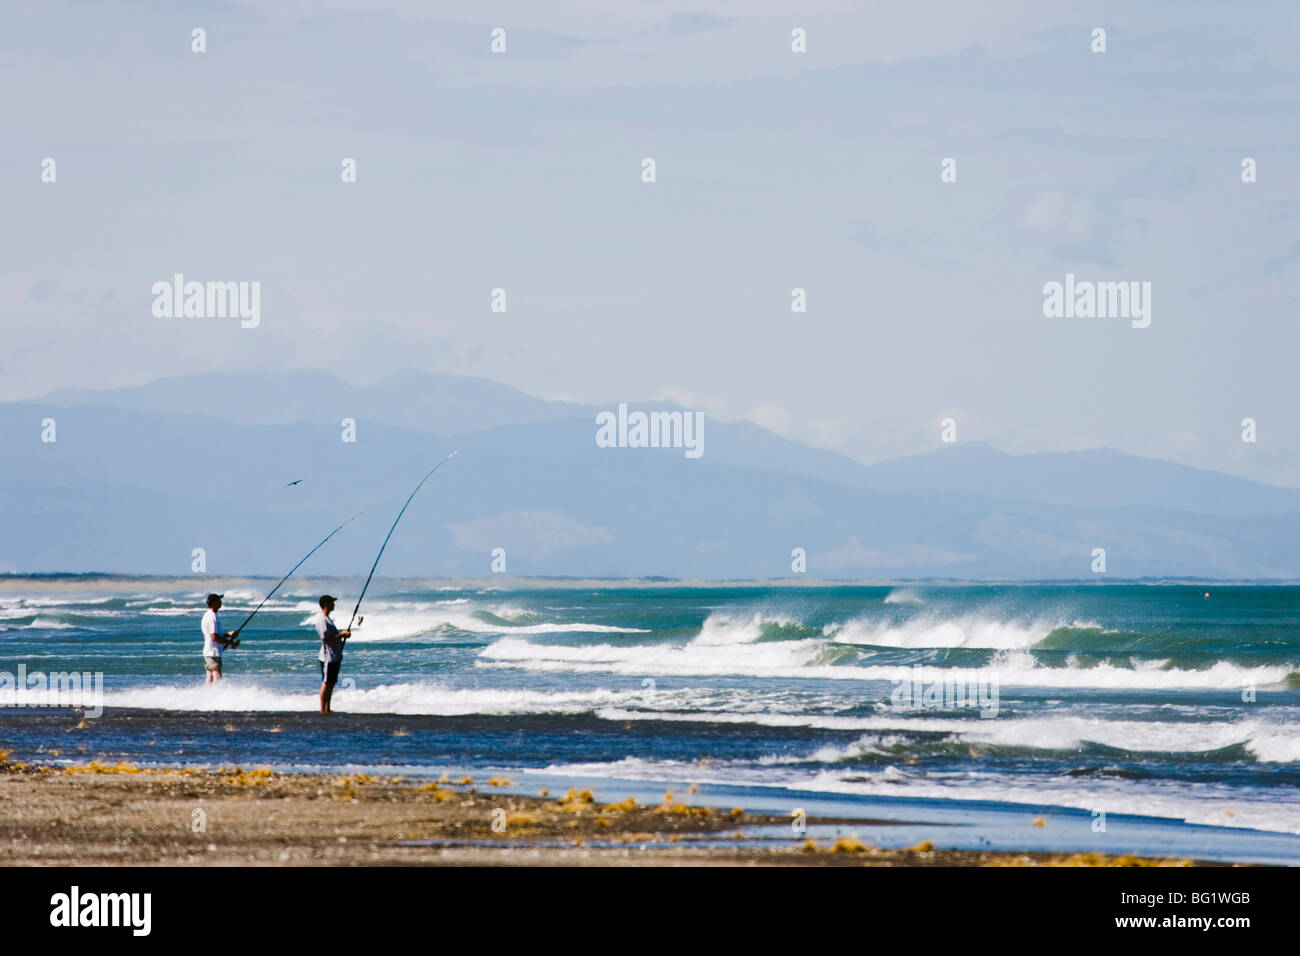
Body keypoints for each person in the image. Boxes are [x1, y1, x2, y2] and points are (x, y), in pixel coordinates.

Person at [314, 595, 354, 714]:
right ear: (326, 604)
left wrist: (343, 635)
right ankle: (323, 710)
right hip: (328, 658)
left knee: (331, 683)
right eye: (332, 602)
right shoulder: (322, 620)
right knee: (326, 683)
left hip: (334, 656)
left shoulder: (327, 619)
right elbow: (326, 639)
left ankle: (328, 708)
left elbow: (331, 638)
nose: (334, 605)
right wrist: (342, 635)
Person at [201, 593, 240, 682]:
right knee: (217, 677)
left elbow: (216, 634)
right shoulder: (212, 616)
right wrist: (231, 643)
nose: (221, 602)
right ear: (214, 602)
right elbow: (214, 637)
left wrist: (229, 634)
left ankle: (206, 694)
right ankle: (217, 694)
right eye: (219, 600)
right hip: (213, 652)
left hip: (210, 651)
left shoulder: (209, 615)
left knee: (210, 677)